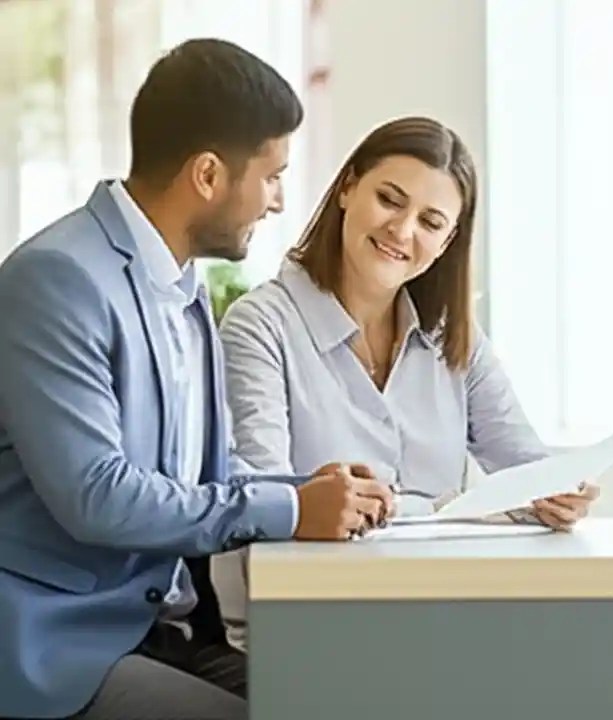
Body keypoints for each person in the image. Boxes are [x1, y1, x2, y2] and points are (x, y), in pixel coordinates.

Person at [0, 39, 393, 720]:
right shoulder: (58, 279)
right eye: (271, 176)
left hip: (162, 630)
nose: (277, 201)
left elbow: (196, 472)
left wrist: (311, 490)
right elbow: (98, 495)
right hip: (62, 647)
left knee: (350, 700)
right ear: (208, 174)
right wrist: (293, 514)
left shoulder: (181, 287)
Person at [210, 116, 598, 648]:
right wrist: (438, 509)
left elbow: (528, 468)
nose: (402, 230)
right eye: (390, 199)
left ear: (448, 241)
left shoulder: (455, 338)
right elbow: (260, 502)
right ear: (348, 187)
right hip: (306, 635)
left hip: (435, 624)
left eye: (431, 221)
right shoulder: (262, 325)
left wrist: (558, 491)